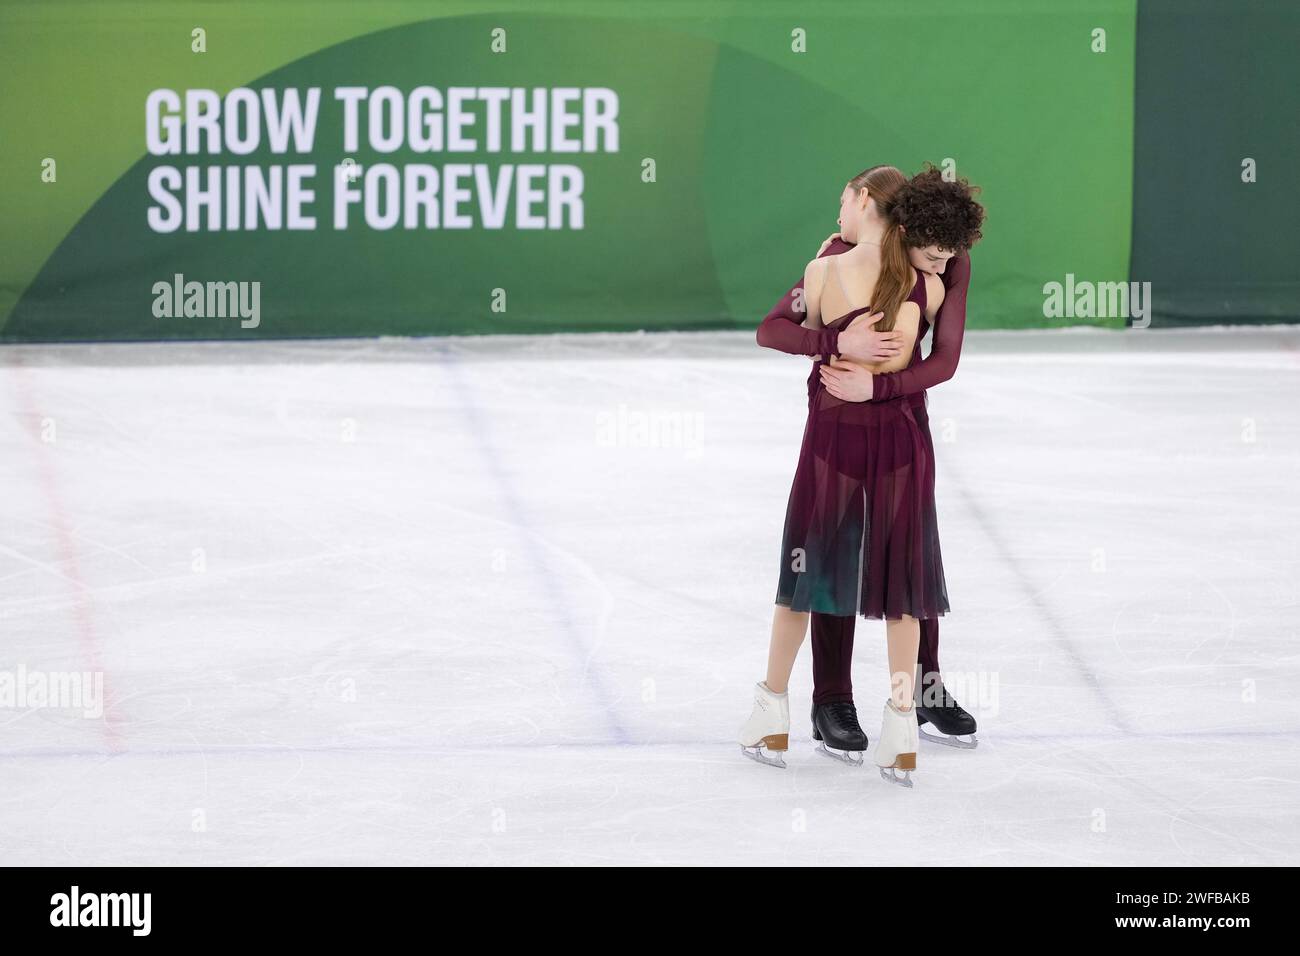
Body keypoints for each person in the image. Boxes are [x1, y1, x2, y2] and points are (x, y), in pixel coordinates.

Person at [739, 165, 985, 785]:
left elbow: (945, 360)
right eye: (933, 251)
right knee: (860, 563)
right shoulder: (840, 258)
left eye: (949, 254)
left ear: (864, 202)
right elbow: (776, 327)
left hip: (877, 422)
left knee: (878, 564)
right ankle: (837, 701)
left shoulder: (935, 267)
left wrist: (876, 382)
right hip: (874, 429)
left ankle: (908, 697)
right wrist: (834, 348)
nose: (942, 261)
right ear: (903, 226)